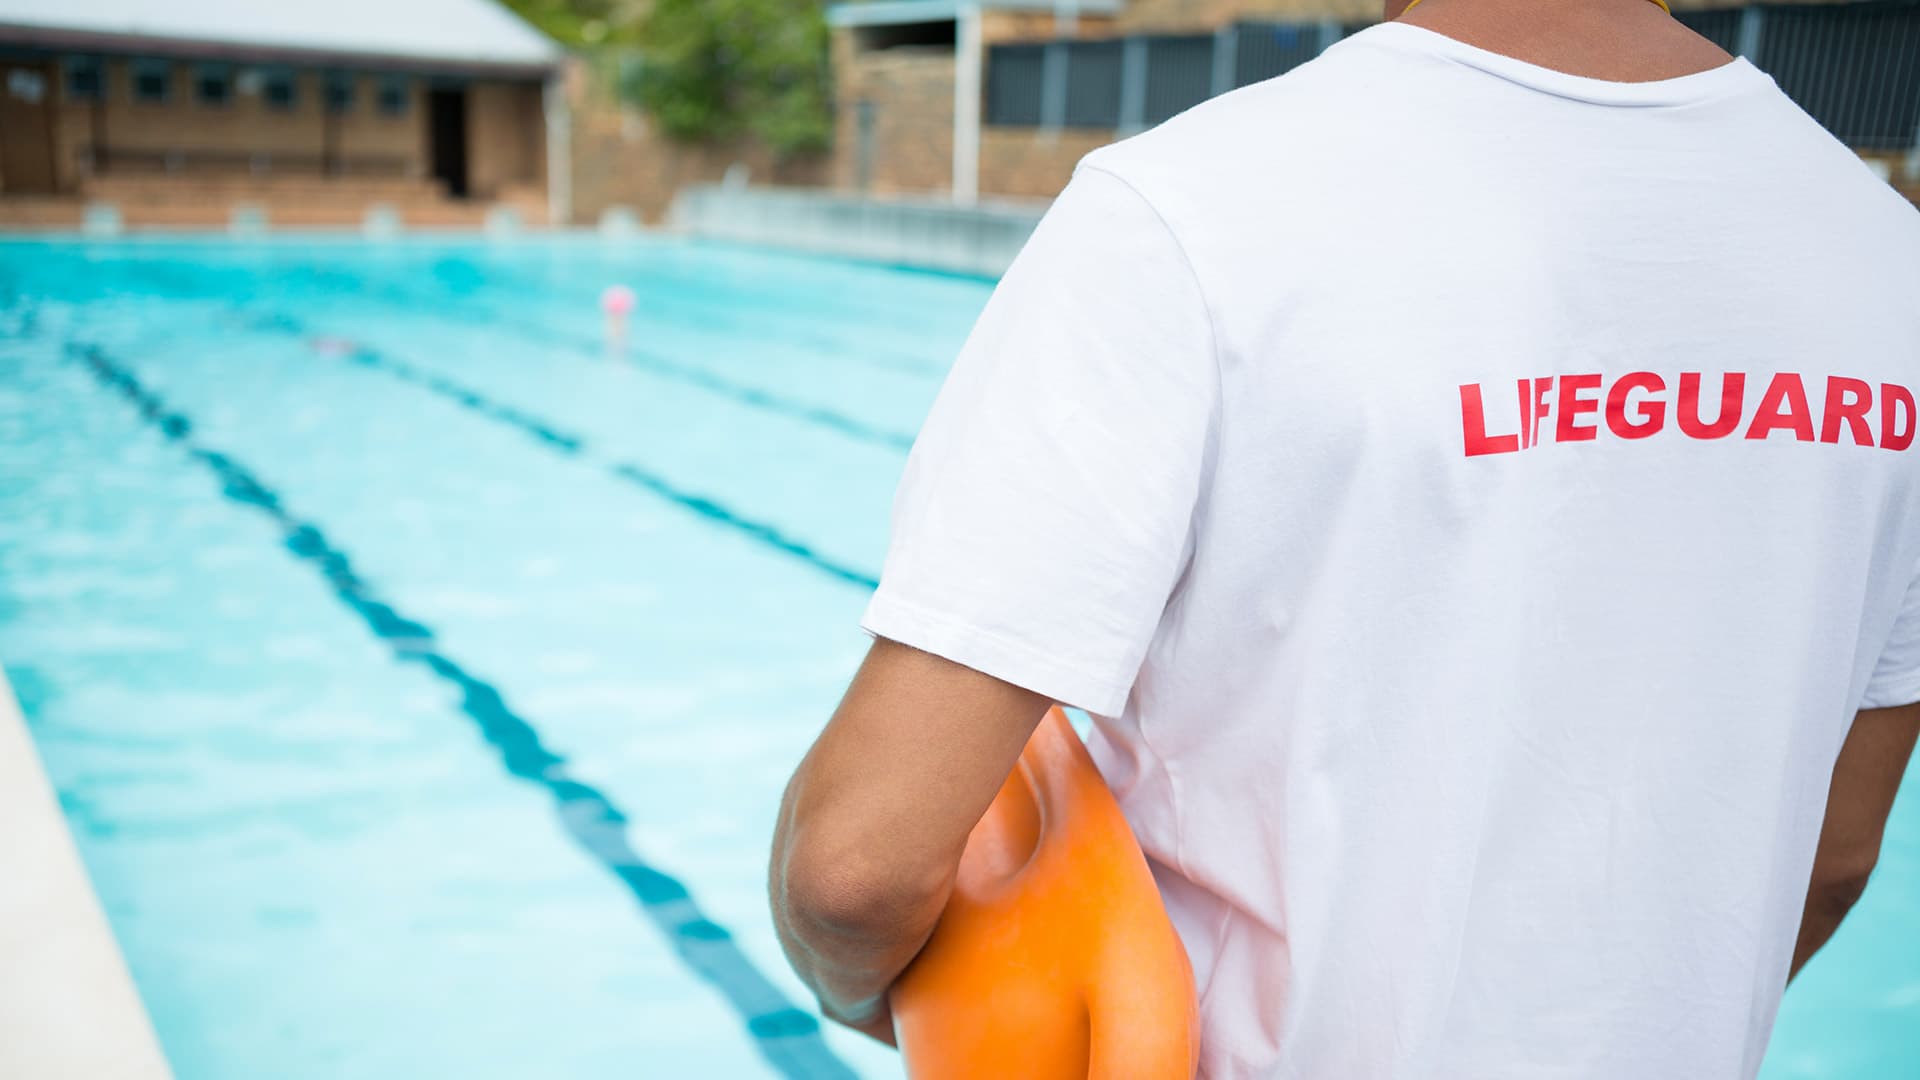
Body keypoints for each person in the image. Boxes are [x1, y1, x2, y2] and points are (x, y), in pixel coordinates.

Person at [769, 0, 1920, 1075]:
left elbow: (858, 868)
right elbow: (1833, 859)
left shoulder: (1191, 209)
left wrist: (892, 997)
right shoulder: (1886, 258)